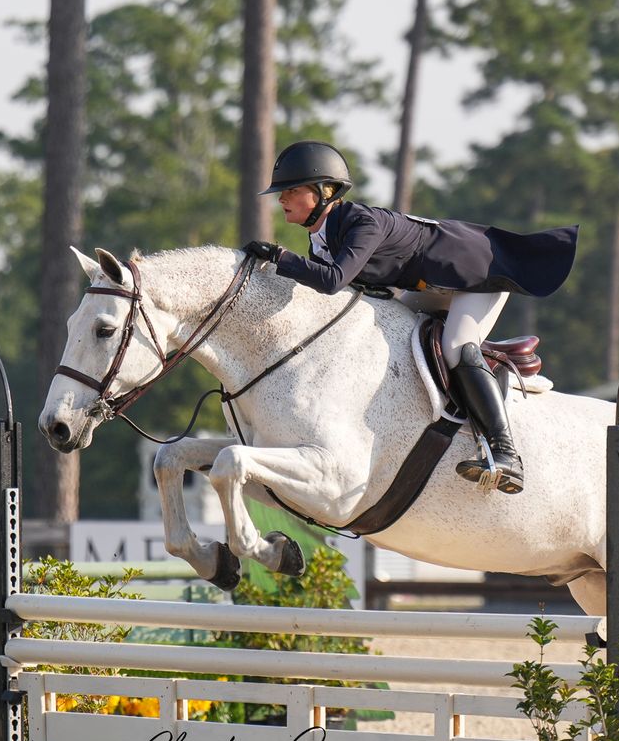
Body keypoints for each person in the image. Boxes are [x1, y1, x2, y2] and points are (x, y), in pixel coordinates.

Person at [243, 140, 578, 495]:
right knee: (391, 331)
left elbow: (332, 281)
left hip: (475, 274)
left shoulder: (362, 223)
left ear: (325, 191)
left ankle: (505, 453)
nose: (281, 199)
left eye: (290, 190)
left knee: (455, 346)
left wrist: (280, 257)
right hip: (432, 282)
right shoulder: (322, 239)